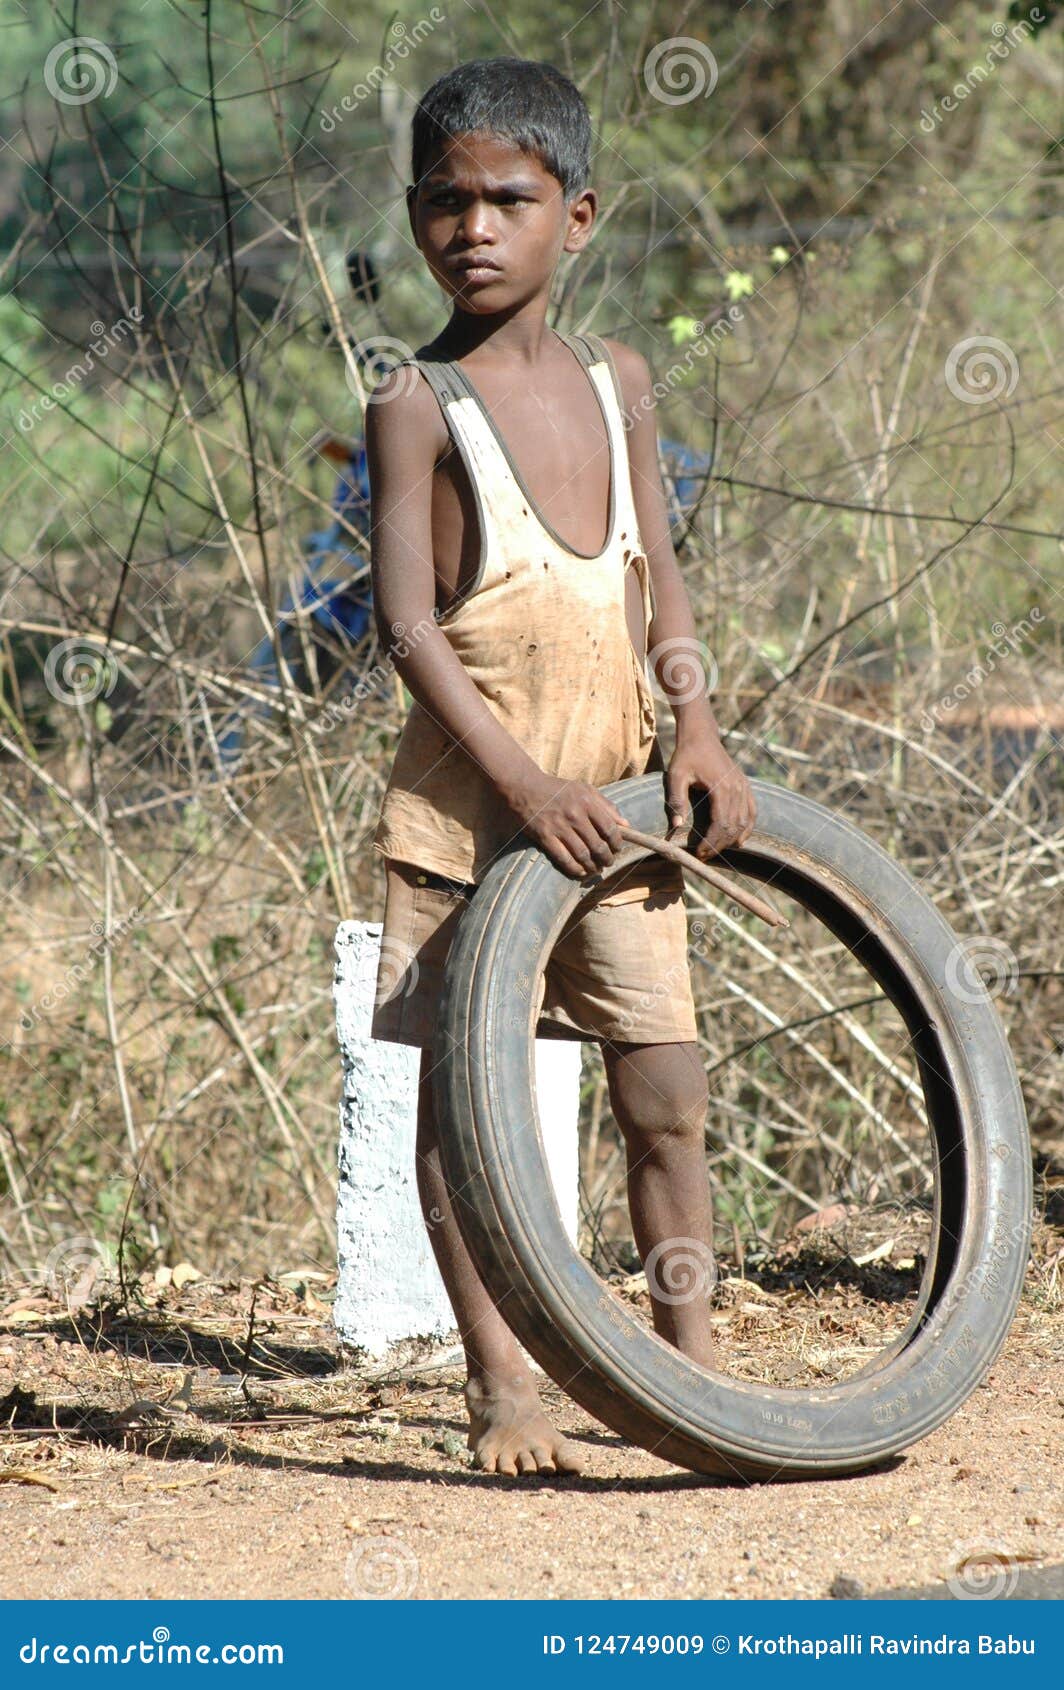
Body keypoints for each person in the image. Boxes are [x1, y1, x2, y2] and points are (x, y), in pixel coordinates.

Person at [366, 57, 756, 1477]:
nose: (472, 227)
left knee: (667, 1091)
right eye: (443, 200)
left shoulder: (618, 383)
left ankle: (689, 1373)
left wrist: (697, 728)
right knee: (466, 1110)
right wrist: (524, 788)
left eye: (509, 200)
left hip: (623, 801)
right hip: (474, 813)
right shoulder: (416, 400)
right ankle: (502, 1385)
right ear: (417, 214)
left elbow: (660, 578)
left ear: (576, 217)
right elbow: (408, 625)